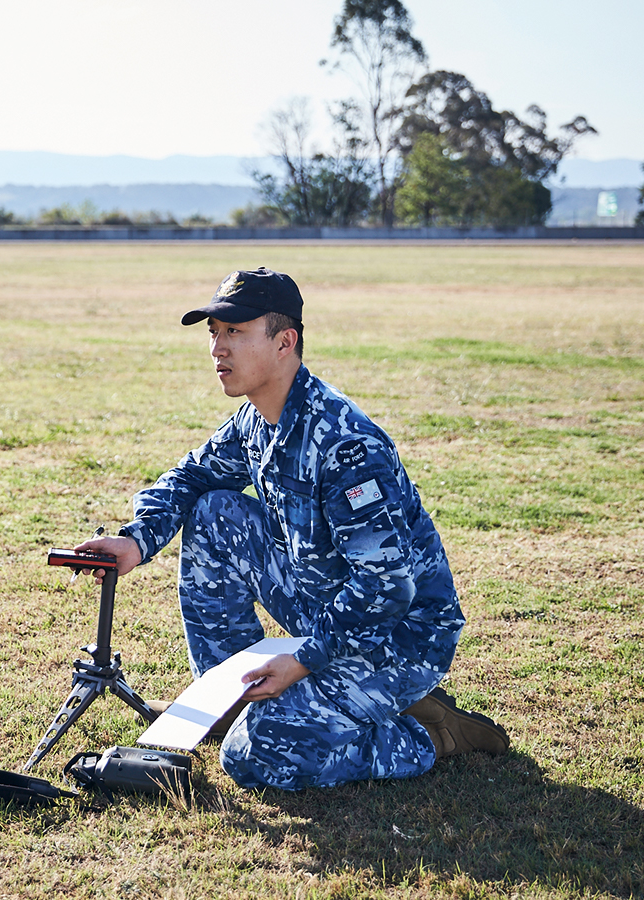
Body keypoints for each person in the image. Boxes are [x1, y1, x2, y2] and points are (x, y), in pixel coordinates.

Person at [76, 267, 509, 791]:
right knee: (215, 512)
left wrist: (303, 659)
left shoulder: (346, 445)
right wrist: (137, 538)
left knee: (254, 756)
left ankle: (427, 734)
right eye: (214, 332)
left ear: (286, 342)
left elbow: (387, 587)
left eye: (234, 332)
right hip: (325, 603)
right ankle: (228, 699)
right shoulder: (258, 420)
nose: (217, 348)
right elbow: (193, 476)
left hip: (395, 638)